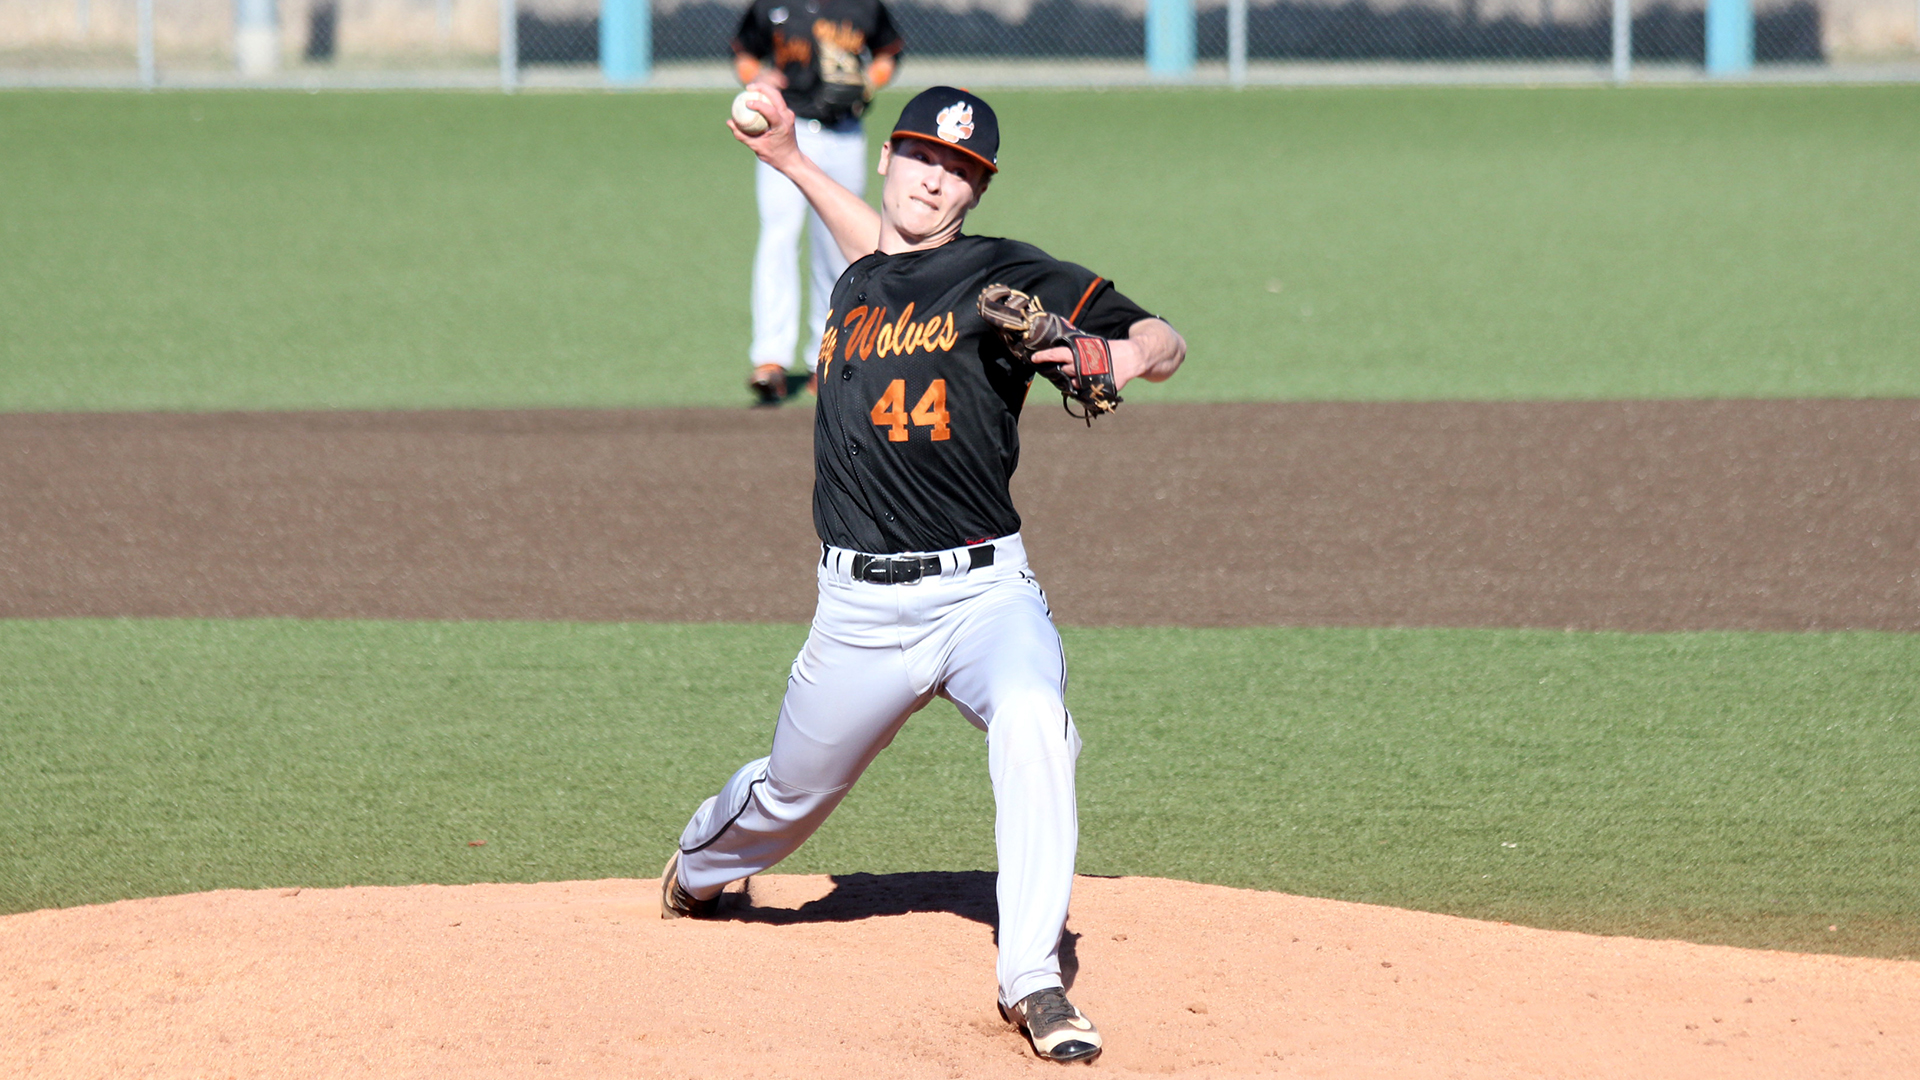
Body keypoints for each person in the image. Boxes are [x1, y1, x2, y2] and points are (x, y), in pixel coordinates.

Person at [661, 85, 1186, 1064]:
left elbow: (1165, 340)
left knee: (1037, 721)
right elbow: (881, 246)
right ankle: (700, 863)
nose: (935, 177)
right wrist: (786, 158)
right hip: (858, 610)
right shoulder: (861, 274)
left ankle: (1031, 976)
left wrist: (1106, 353)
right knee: (789, 798)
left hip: (985, 593)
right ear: (889, 159)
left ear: (974, 193)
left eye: (959, 171)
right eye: (922, 157)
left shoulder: (1003, 271)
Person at [732, 0, 902, 406]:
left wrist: (871, 81)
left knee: (837, 244)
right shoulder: (772, 6)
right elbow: (743, 50)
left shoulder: (863, 7)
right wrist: (758, 76)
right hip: (786, 130)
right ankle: (769, 359)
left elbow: (889, 52)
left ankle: (823, 355)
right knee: (779, 236)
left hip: (845, 134)